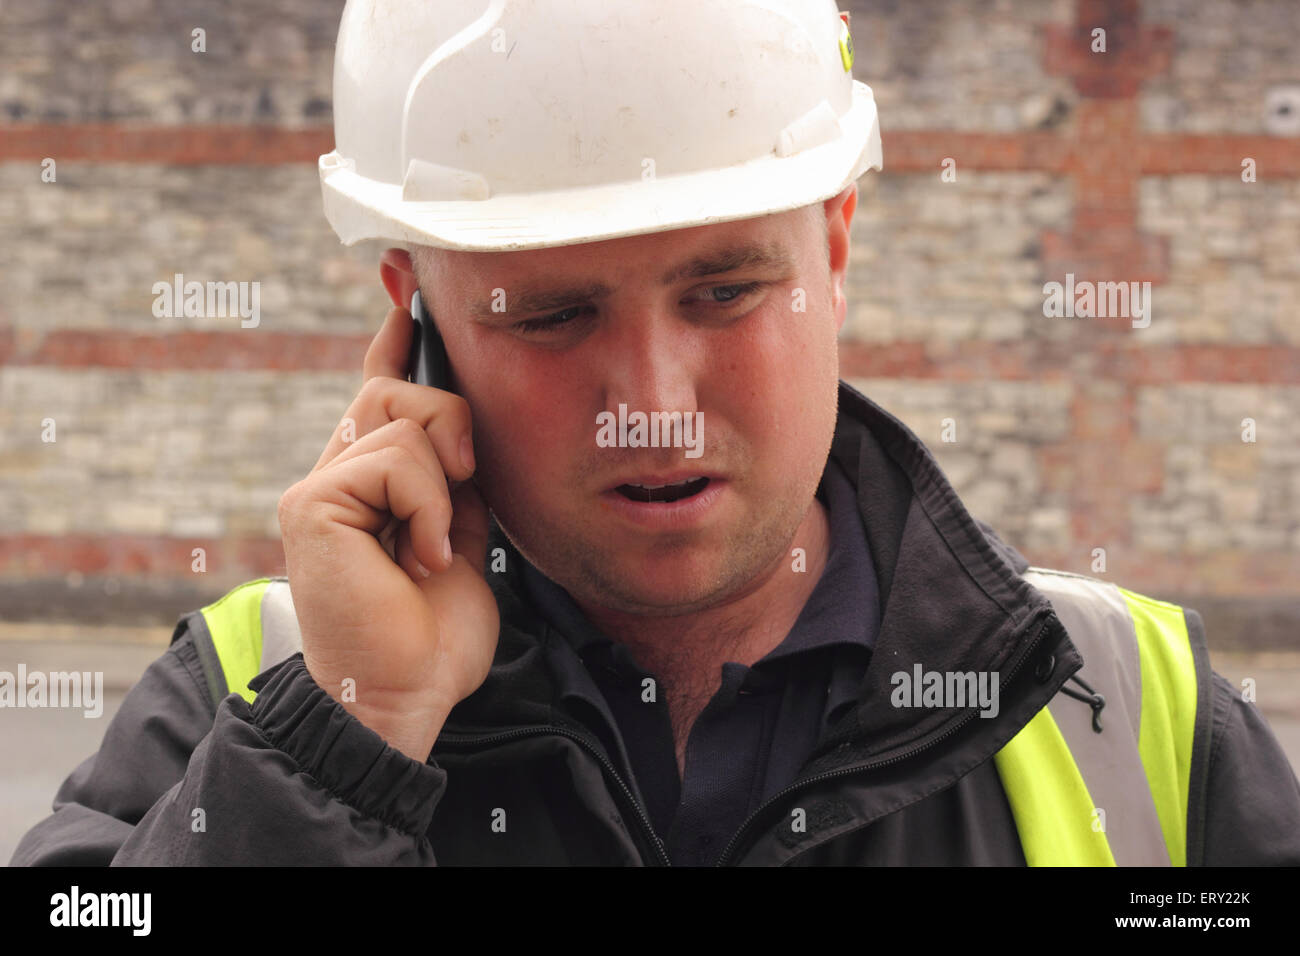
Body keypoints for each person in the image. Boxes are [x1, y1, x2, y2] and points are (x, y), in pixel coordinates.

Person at [13, 0, 1300, 866]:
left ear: (835, 253)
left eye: (725, 290)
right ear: (419, 326)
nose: (654, 398)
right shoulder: (258, 695)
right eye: (555, 313)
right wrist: (349, 736)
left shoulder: (1138, 718)